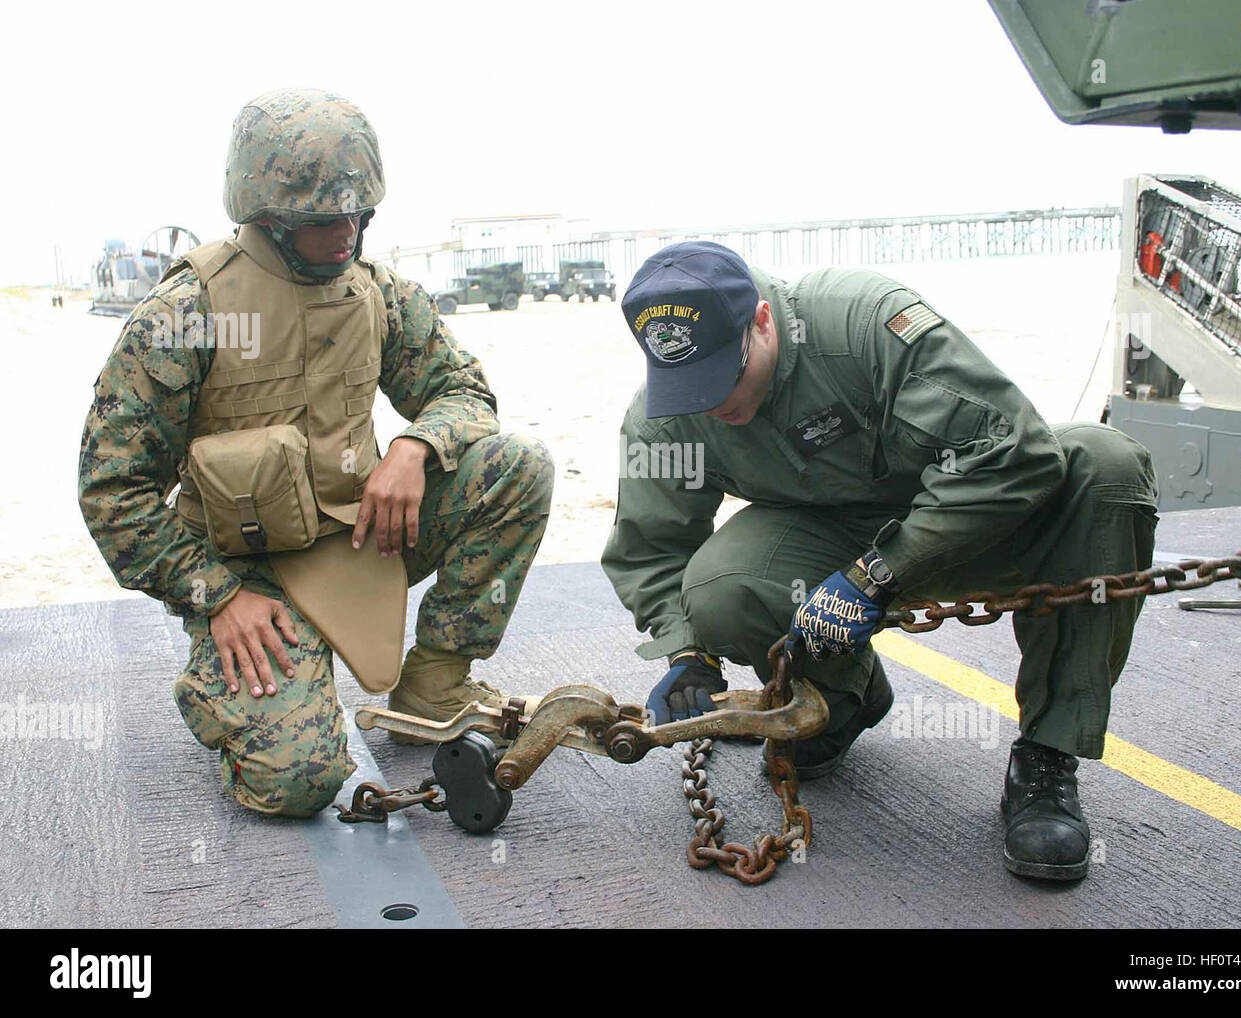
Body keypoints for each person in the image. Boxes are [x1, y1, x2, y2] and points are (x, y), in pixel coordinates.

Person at [601, 241, 1157, 880]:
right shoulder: (665, 419)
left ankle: (1047, 758)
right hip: (831, 537)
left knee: (1107, 466)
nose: (712, 402)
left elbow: (1012, 450)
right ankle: (839, 699)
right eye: (689, 384)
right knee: (721, 591)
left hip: (979, 516)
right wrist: (688, 654)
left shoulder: (865, 320)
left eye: (726, 372)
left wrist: (877, 575)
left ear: (762, 320)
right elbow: (652, 549)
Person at [78, 89, 553, 818]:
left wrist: (414, 446)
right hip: (247, 571)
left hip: (362, 532)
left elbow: (463, 391)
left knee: (518, 467)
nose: (347, 235)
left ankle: (435, 682)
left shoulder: (378, 293)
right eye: (325, 221)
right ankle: (225, 689)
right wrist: (217, 595)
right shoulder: (189, 312)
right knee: (296, 782)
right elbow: (113, 489)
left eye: (360, 216)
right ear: (268, 216)